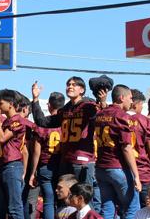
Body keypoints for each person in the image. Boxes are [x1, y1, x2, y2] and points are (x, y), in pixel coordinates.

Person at [31, 78, 107, 211]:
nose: (70, 87)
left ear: (82, 90)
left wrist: (103, 102)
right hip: (66, 160)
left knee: (83, 200)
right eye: (68, 84)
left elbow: (101, 118)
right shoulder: (66, 109)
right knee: (65, 199)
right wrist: (36, 99)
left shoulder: (88, 106)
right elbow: (42, 121)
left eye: (74, 85)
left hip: (82, 161)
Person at [94, 84, 141, 219]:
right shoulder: (122, 116)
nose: (131, 101)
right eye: (130, 97)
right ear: (122, 97)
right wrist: (136, 176)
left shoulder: (100, 115)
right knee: (130, 208)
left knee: (107, 210)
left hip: (101, 168)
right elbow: (127, 147)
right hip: (118, 167)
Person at [0, 89, 28, 219]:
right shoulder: (8, 121)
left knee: (15, 207)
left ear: (11, 104)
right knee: (2, 207)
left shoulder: (16, 120)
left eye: (1, 103)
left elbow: (2, 138)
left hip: (13, 165)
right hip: (4, 166)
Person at [27, 92, 64, 219]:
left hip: (45, 165)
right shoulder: (65, 123)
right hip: (61, 166)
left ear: (49, 105)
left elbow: (36, 151)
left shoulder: (43, 126)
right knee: (62, 202)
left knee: (49, 201)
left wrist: (33, 171)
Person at [128, 89, 150, 209]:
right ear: (135, 104)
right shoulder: (144, 120)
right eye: (141, 105)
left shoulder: (118, 117)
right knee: (147, 210)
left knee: (126, 209)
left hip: (123, 170)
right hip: (143, 171)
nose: (142, 108)